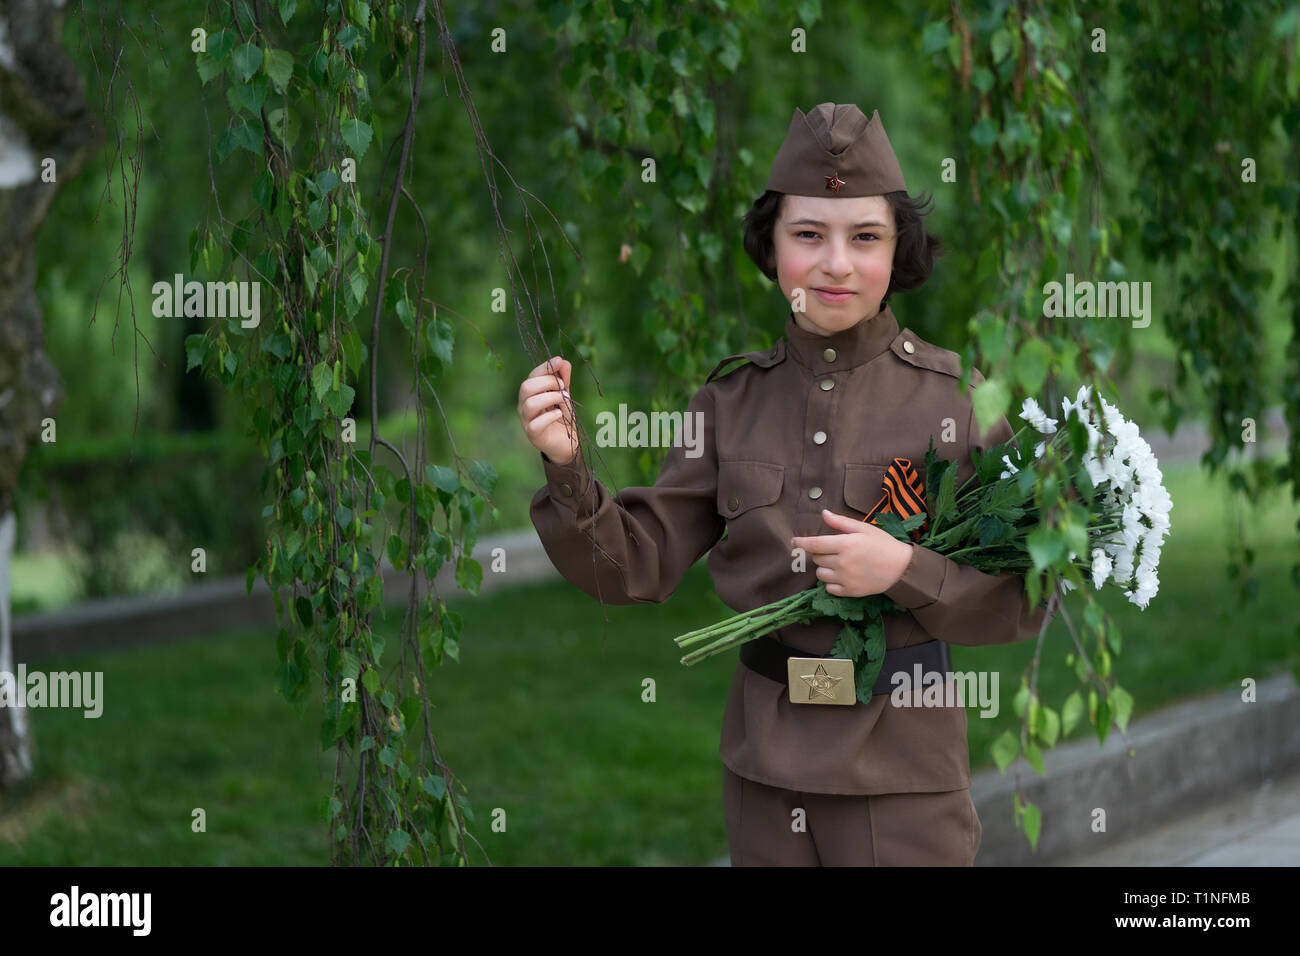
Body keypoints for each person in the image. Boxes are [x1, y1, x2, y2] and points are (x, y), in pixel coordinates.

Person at [517, 103, 1052, 866]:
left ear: (900, 249)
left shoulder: (960, 402)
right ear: (770, 247)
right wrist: (567, 469)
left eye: (864, 236)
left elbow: (1030, 590)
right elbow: (636, 565)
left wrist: (907, 571)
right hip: (764, 777)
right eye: (809, 234)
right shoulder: (729, 402)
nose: (836, 263)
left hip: (901, 778)